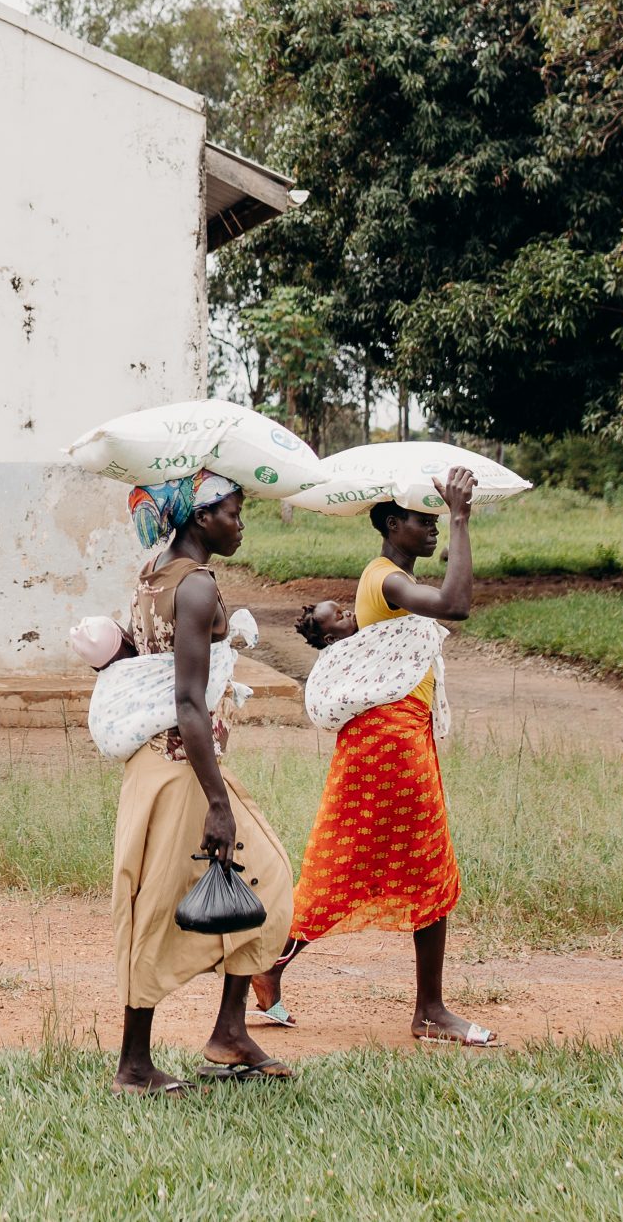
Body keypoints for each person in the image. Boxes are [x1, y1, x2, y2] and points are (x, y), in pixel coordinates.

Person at [250, 465, 497, 1047]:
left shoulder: (384, 582)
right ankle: (430, 1011)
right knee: (420, 861)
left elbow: (368, 630)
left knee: (355, 862)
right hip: (391, 739)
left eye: (438, 519)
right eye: (423, 518)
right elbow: (456, 603)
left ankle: (271, 964)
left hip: (391, 735)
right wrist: (463, 516)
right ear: (391, 523)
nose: (433, 527)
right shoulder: (388, 579)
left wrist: (329, 625)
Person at [108, 468, 298, 1094]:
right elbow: (188, 701)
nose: (241, 524)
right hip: (182, 771)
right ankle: (134, 1065)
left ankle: (230, 1030)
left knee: (261, 876)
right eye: (234, 512)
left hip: (161, 767)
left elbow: (144, 658)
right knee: (160, 908)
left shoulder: (153, 574)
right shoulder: (194, 586)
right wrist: (218, 801)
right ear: (201, 517)